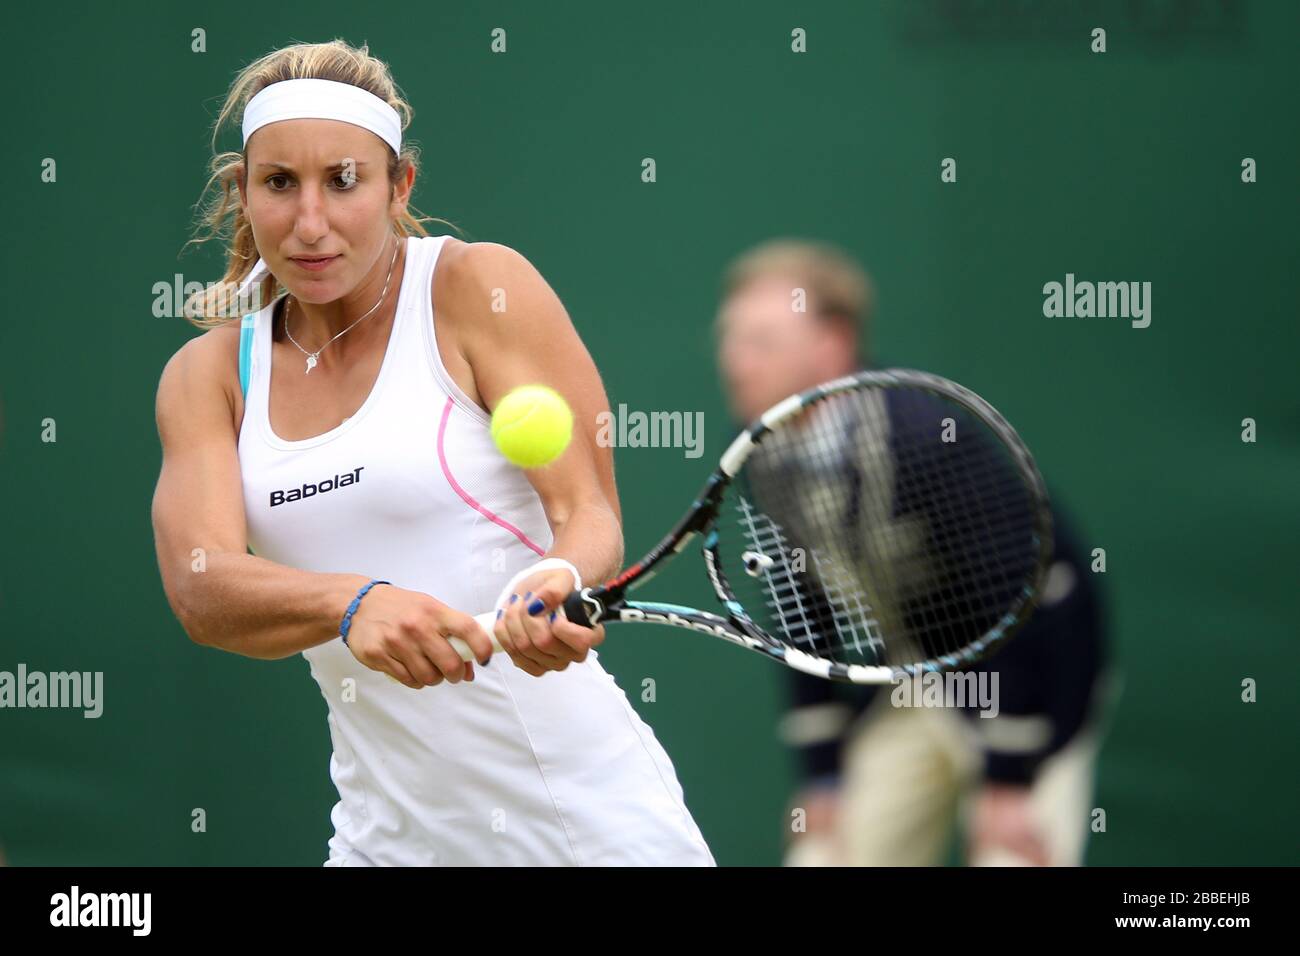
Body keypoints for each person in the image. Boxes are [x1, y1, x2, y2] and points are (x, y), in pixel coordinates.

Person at [152, 39, 714, 867]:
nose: (311, 223)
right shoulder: (208, 377)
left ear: (397, 185)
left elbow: (588, 516)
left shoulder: (477, 289)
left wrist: (557, 577)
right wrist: (355, 601)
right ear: (243, 191)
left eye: (343, 180)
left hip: (590, 834)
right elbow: (202, 592)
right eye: (279, 184)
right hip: (385, 843)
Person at [714, 238, 1109, 866]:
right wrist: (823, 778)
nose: (735, 361)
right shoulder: (762, 455)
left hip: (1037, 678)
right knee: (822, 859)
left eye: (760, 341)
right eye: (730, 339)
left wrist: (1009, 779)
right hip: (917, 675)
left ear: (832, 346)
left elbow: (1019, 605)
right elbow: (801, 626)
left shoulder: (927, 438)